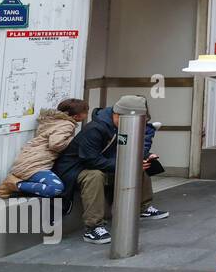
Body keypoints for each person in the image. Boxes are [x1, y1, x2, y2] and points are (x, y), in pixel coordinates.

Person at [53, 95, 169, 244]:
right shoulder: (95, 129)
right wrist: (127, 165)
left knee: (139, 167)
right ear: (121, 115)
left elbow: (127, 149)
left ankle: (143, 207)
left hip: (101, 164)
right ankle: (93, 227)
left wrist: (145, 156)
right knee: (95, 176)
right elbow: (90, 160)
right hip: (74, 169)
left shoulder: (121, 127)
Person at [0, 98, 89, 200]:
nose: (87, 114)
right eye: (85, 112)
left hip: (27, 160)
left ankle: (16, 184)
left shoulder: (52, 121)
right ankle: (14, 184)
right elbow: (55, 144)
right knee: (56, 188)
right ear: (76, 116)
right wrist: (72, 140)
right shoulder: (67, 125)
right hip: (35, 166)